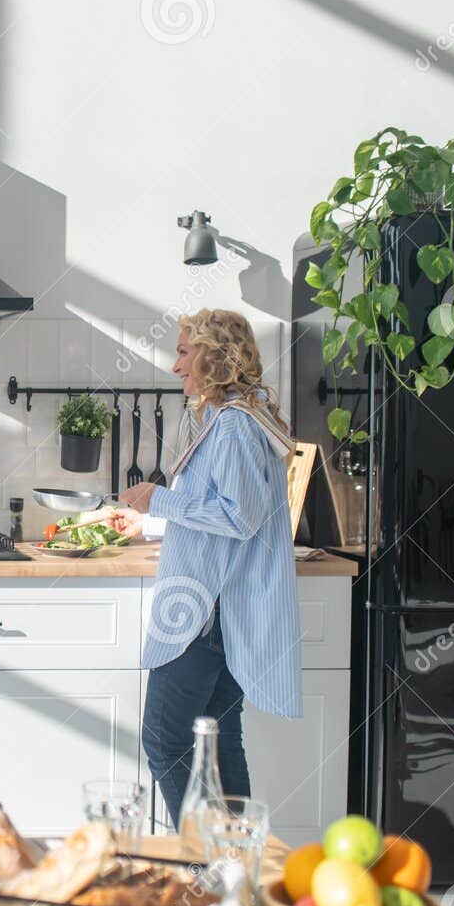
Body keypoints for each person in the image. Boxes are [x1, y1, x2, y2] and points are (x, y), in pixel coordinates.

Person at [112, 308, 300, 824]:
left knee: (165, 739)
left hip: (206, 616)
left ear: (214, 356)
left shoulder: (234, 427)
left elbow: (237, 518)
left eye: (183, 351)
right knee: (219, 745)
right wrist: (149, 523)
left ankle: (204, 865)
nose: (175, 366)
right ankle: (232, 868)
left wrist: (158, 499)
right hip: (219, 609)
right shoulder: (227, 418)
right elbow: (220, 518)